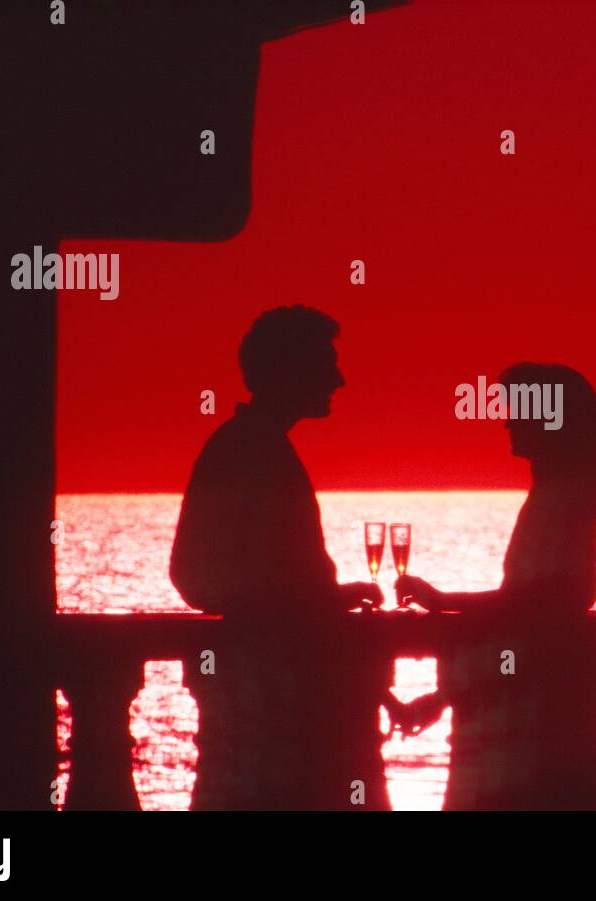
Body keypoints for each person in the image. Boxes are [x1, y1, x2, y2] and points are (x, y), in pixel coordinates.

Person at [170, 305, 396, 810]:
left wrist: (323, 597)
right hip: (273, 703)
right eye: (325, 364)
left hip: (281, 698)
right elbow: (198, 573)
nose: (338, 379)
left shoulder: (251, 447)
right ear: (287, 371)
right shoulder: (249, 451)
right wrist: (308, 603)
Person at [393, 363, 596, 809]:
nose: (506, 420)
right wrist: (446, 695)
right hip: (538, 705)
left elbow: (545, 601)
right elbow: (539, 605)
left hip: (541, 719)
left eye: (516, 408)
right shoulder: (557, 492)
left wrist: (443, 601)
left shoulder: (561, 497)